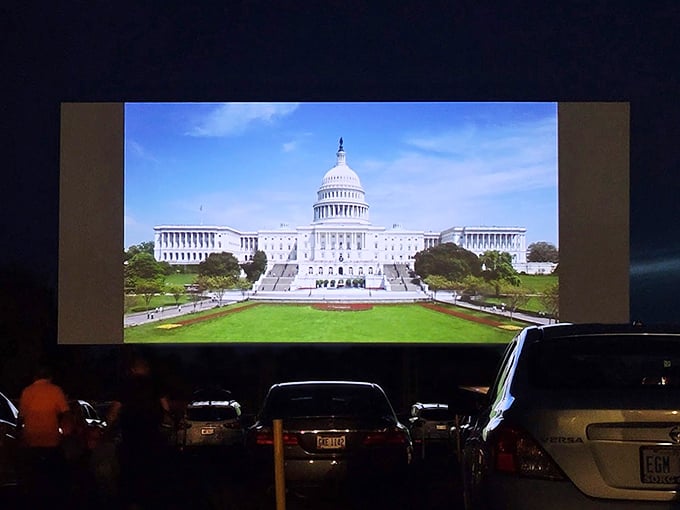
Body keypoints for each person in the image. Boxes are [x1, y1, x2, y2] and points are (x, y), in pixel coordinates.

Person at [106, 354, 171, 509]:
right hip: (151, 435)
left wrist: (109, 426)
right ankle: (150, 499)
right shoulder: (155, 385)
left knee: (130, 470)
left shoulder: (125, 385)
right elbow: (166, 408)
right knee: (151, 469)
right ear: (146, 370)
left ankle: (133, 501)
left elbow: (114, 411)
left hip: (131, 435)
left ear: (132, 369)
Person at [16, 363, 72, 509]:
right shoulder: (55, 390)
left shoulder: (27, 391)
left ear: (34, 376)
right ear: (50, 377)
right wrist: (66, 429)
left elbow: (21, 417)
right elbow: (65, 412)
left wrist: (18, 434)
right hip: (51, 440)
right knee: (53, 474)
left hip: (31, 439)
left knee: (32, 474)